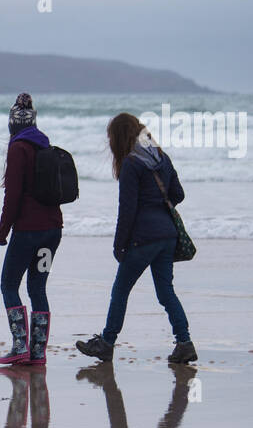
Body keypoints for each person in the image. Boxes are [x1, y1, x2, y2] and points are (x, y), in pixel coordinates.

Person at [75, 113, 197, 364]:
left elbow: (127, 209)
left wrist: (119, 245)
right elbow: (178, 194)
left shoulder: (132, 163)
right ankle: (184, 342)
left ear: (119, 137)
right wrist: (157, 210)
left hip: (143, 239)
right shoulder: (161, 157)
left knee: (120, 291)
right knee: (166, 293)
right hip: (167, 236)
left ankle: (106, 343)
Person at [0, 93, 62, 365]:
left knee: (9, 285)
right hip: (53, 231)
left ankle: (20, 346)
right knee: (38, 287)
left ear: (12, 124)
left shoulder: (17, 148)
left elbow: (13, 195)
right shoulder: (45, 146)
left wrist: (2, 232)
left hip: (27, 232)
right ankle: (37, 353)